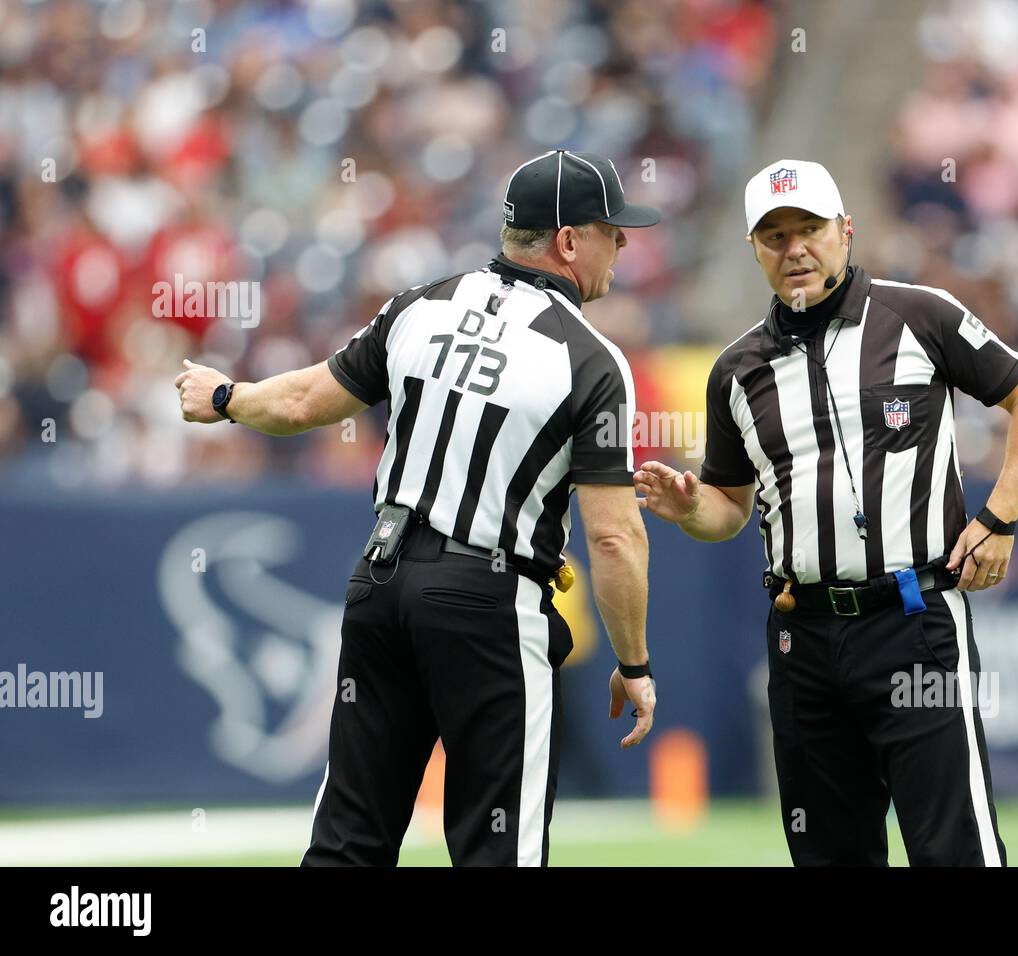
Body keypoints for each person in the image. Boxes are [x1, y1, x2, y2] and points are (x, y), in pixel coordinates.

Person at [176, 149, 660, 866]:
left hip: (380, 585)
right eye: (610, 231)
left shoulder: (422, 304)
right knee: (498, 850)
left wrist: (225, 398)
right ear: (567, 241)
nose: (621, 247)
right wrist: (634, 661)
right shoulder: (589, 360)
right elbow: (615, 540)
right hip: (489, 603)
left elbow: (305, 401)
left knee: (347, 841)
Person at [635, 159, 1018, 866]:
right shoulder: (737, 369)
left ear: (846, 231)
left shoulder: (920, 316)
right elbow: (729, 511)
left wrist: (1000, 518)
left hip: (912, 620)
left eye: (808, 229)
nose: (793, 247)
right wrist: (690, 508)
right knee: (829, 853)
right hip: (802, 636)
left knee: (954, 849)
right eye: (773, 236)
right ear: (754, 250)